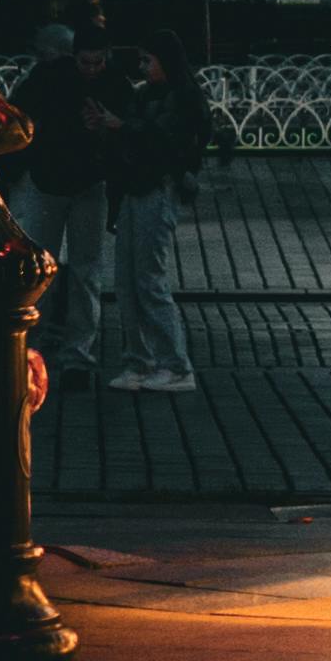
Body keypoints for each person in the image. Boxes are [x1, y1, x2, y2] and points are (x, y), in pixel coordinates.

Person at [100, 20, 215, 394]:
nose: (142, 68)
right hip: (135, 188)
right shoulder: (146, 94)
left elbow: (166, 143)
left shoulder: (180, 98)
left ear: (166, 61)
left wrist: (122, 128)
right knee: (127, 279)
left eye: (148, 61)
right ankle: (140, 360)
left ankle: (175, 364)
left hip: (156, 188)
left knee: (148, 278)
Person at [11, 0, 119, 385]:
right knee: (56, 268)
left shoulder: (100, 82)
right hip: (56, 183)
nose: (91, 68)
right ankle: (53, 348)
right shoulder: (51, 79)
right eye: (85, 61)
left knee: (71, 268)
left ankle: (68, 352)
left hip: (77, 183)